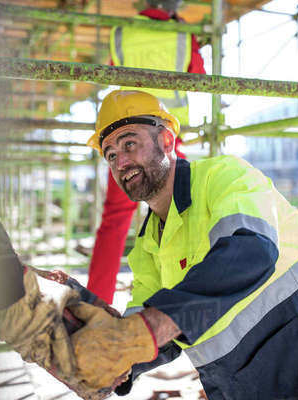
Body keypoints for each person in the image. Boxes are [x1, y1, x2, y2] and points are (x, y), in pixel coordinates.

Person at [68, 90, 298, 400]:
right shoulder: (148, 245)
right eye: (111, 155)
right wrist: (116, 364)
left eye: (129, 144)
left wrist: (161, 320)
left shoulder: (224, 177)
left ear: (166, 140)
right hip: (246, 379)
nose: (121, 161)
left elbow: (250, 251)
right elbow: (148, 330)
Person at [86, 0, 205, 304]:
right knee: (184, 214)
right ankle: (187, 296)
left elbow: (111, 72)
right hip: (165, 141)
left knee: (114, 222)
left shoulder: (121, 32)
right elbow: (200, 76)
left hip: (125, 137)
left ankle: (96, 304)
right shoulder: (182, 34)